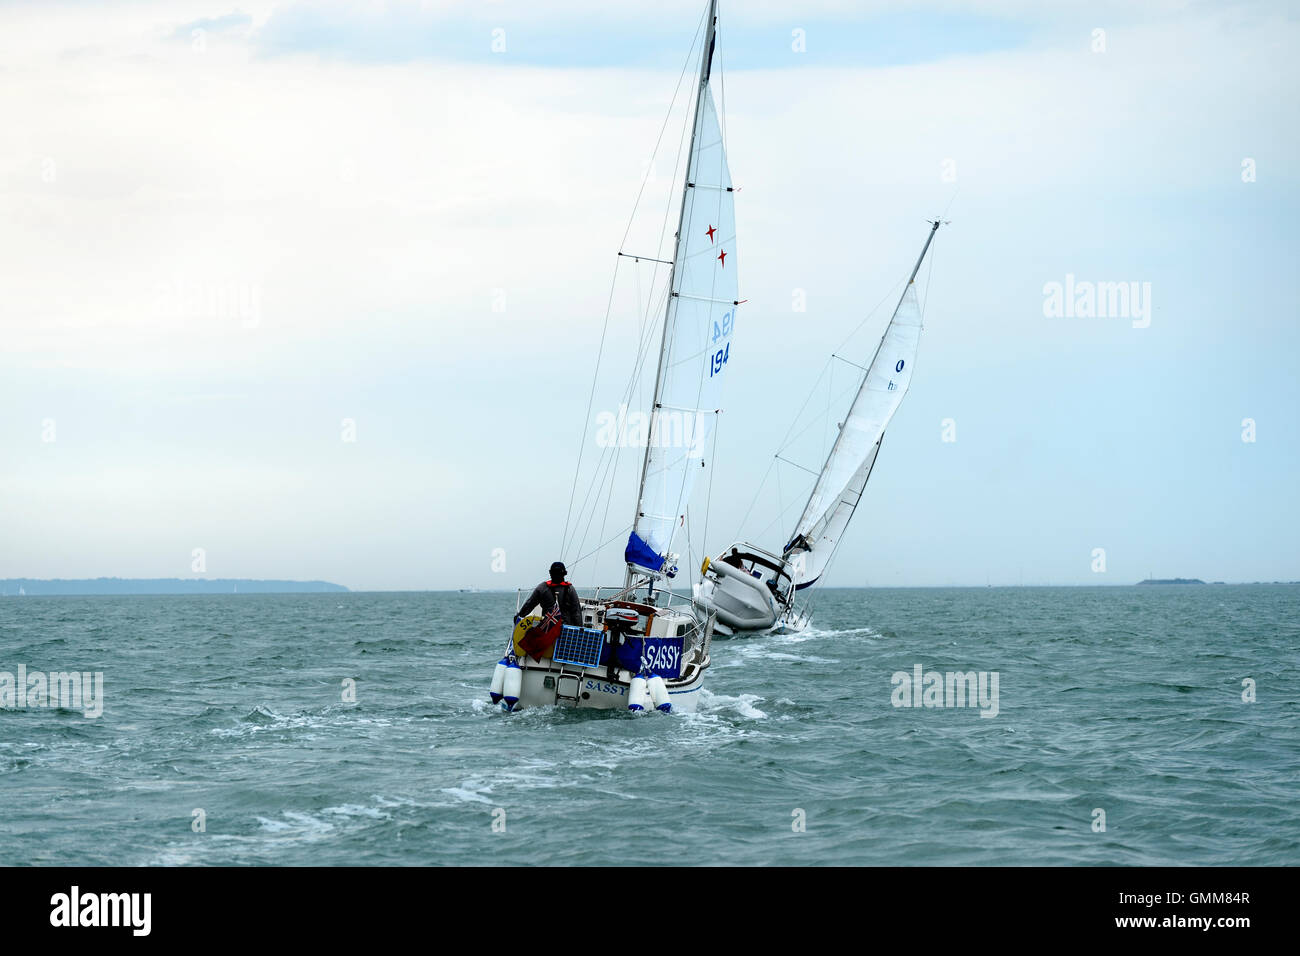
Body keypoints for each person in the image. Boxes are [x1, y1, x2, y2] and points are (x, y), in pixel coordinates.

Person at [515, 562, 583, 627]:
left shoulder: (542, 588)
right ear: (564, 574)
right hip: (565, 629)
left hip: (547, 630)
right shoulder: (570, 589)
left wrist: (519, 616)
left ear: (550, 573)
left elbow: (529, 604)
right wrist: (580, 629)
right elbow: (577, 613)